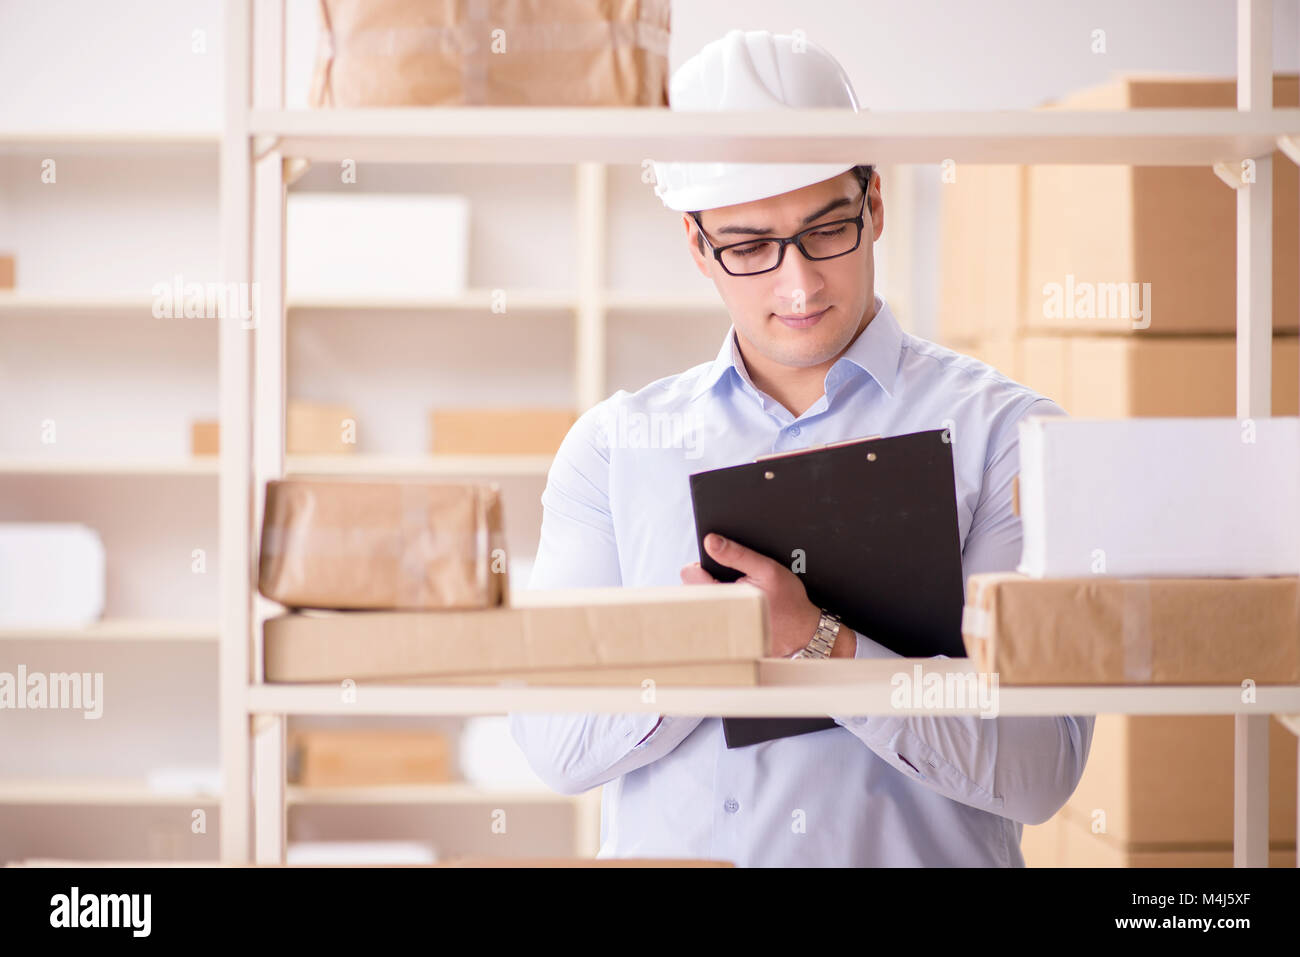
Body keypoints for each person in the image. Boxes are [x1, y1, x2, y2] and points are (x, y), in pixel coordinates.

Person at [509, 28, 1093, 866]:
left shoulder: (1009, 437)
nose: (800, 284)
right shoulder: (613, 450)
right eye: (750, 247)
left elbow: (1042, 771)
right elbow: (555, 745)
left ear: (877, 203)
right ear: (697, 246)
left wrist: (822, 647)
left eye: (827, 230)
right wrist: (698, 657)